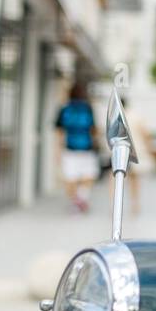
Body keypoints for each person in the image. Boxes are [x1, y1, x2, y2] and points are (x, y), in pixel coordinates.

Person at [55, 82, 99, 214]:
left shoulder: (64, 109)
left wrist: (57, 150)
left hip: (70, 148)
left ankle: (76, 202)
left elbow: (59, 131)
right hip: (87, 148)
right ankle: (82, 198)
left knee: (70, 177)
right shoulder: (88, 108)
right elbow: (93, 129)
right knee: (89, 175)